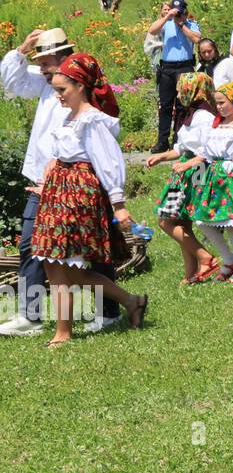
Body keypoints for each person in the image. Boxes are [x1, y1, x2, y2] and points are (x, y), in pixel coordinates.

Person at [0, 28, 123, 337]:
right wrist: (23, 47)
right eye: (38, 62)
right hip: (42, 178)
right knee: (32, 246)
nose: (40, 68)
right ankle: (31, 315)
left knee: (91, 250)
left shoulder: (79, 90)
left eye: (45, 61)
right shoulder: (48, 85)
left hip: (75, 184)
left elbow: (105, 141)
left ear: (62, 59)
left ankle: (109, 311)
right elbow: (10, 79)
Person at [32, 53, 149, 347]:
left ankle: (64, 332)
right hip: (58, 191)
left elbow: (109, 161)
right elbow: (62, 153)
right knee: (57, 265)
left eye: (63, 90)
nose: (58, 95)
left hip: (78, 195)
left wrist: (119, 205)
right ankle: (130, 301)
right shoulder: (70, 117)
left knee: (64, 264)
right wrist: (50, 171)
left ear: (81, 86)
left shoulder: (92, 121)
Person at [145, 72, 223, 283]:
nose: (178, 94)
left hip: (197, 172)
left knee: (165, 219)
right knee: (182, 222)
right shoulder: (191, 114)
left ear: (194, 90)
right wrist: (161, 157)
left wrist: (188, 164)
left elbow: (208, 151)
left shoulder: (204, 117)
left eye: (181, 90)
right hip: (185, 171)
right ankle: (191, 273)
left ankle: (206, 257)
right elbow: (181, 148)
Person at [189, 81, 233, 282]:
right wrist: (197, 178)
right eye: (216, 103)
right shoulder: (215, 124)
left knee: (231, 223)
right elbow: (204, 154)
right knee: (201, 219)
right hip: (214, 176)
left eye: (222, 102)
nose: (218, 107)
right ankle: (228, 259)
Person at [148, 0, 201, 153]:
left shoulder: (191, 24)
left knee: (182, 106)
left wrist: (182, 24)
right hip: (167, 68)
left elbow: (196, 38)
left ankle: (178, 140)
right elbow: (152, 30)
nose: (178, 15)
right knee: (165, 106)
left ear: (185, 11)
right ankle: (162, 141)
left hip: (184, 68)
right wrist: (167, 17)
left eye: (180, 12)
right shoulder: (167, 23)